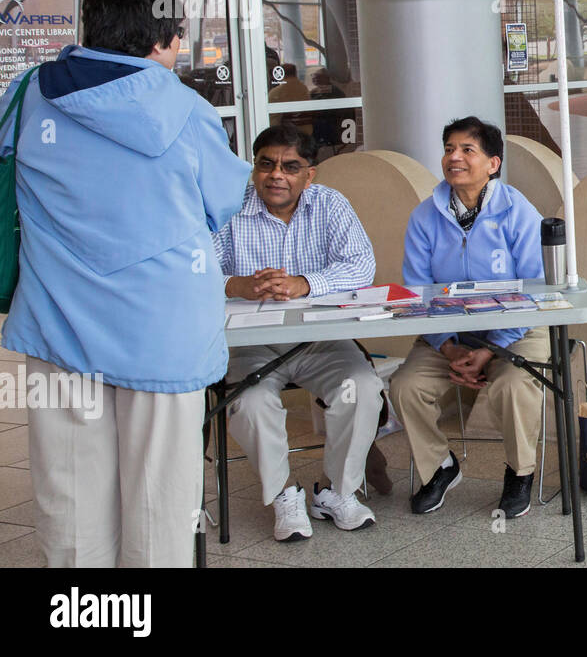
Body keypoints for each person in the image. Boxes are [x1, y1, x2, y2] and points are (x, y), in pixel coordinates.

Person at [0, 0, 250, 567]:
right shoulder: (187, 109)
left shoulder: (29, 93)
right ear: (162, 39)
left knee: (70, 494)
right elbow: (222, 204)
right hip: (164, 331)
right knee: (160, 496)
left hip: (59, 323)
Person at [214, 123, 382, 542]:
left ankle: (336, 491)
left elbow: (362, 266)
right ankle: (283, 496)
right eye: (266, 164)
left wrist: (305, 283)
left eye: (291, 166)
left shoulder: (329, 204)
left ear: (310, 174)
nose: (277, 175)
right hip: (250, 345)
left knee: (361, 386)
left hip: (322, 341)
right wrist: (238, 285)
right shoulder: (228, 206)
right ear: (253, 169)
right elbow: (195, 271)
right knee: (250, 403)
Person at [390, 116, 546, 518]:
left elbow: (536, 286)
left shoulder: (517, 210)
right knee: (406, 386)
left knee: (513, 386)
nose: (453, 157)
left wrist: (492, 349)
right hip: (449, 333)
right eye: (448, 149)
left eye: (466, 150)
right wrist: (449, 348)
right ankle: (439, 466)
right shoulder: (424, 216)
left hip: (516, 328)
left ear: (493, 163)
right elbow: (418, 292)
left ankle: (519, 472)